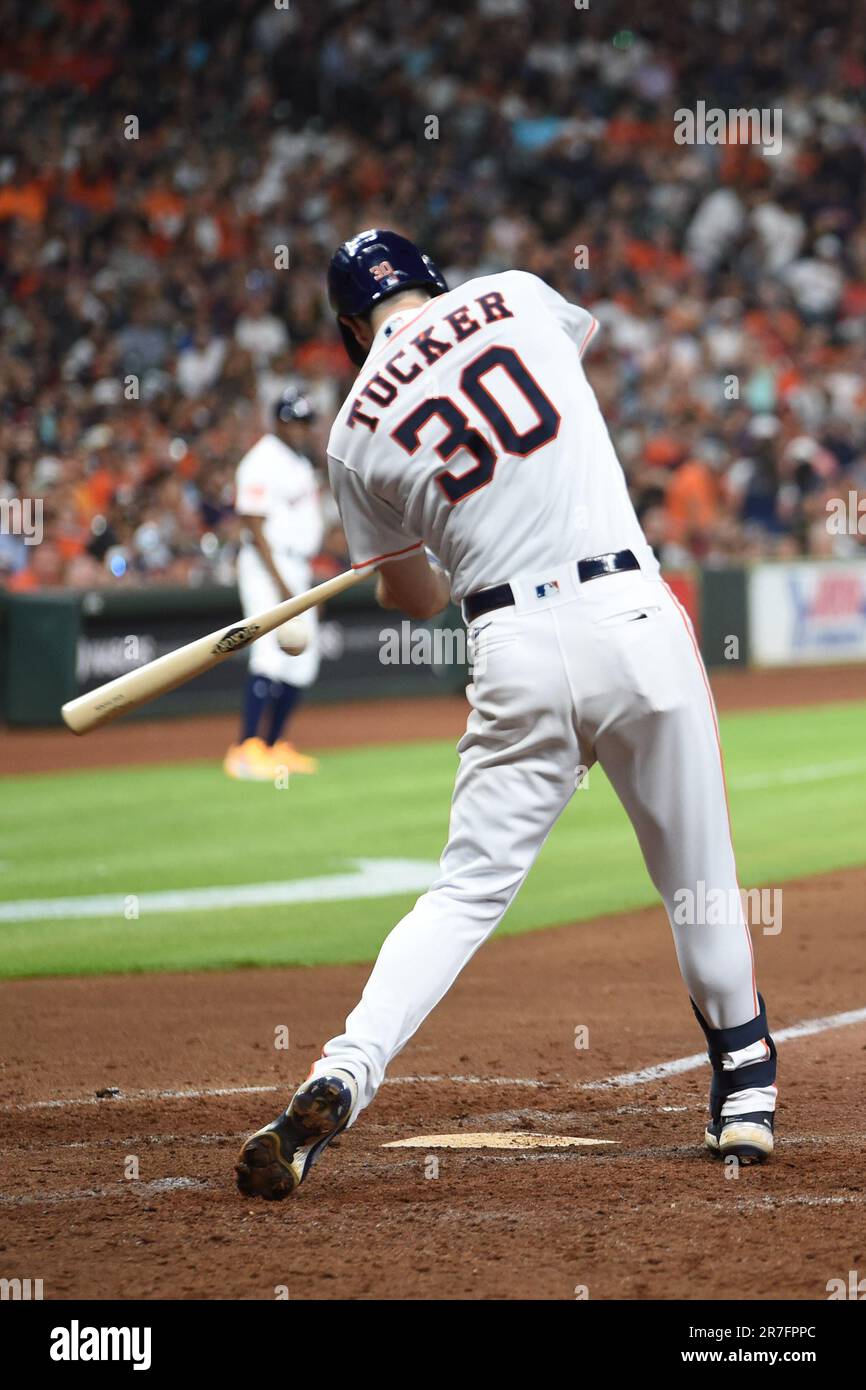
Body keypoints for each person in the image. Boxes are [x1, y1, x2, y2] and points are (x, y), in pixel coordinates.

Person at [236, 230, 777, 1199]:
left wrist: (410, 556)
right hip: (629, 612)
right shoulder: (519, 295)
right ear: (432, 281)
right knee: (697, 878)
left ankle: (345, 1068)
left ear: (350, 330)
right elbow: (543, 404)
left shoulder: (351, 433)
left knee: (463, 893)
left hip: (511, 646)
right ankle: (745, 1090)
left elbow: (413, 598)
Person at [224, 388, 324, 780]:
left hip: (297, 566)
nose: (300, 429)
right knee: (268, 653)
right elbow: (253, 524)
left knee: (302, 660)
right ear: (278, 422)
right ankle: (246, 748)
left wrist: (305, 583)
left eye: (305, 422)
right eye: (293, 421)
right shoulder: (261, 459)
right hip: (268, 564)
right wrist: (282, 583)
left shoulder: (298, 461)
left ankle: (273, 743)